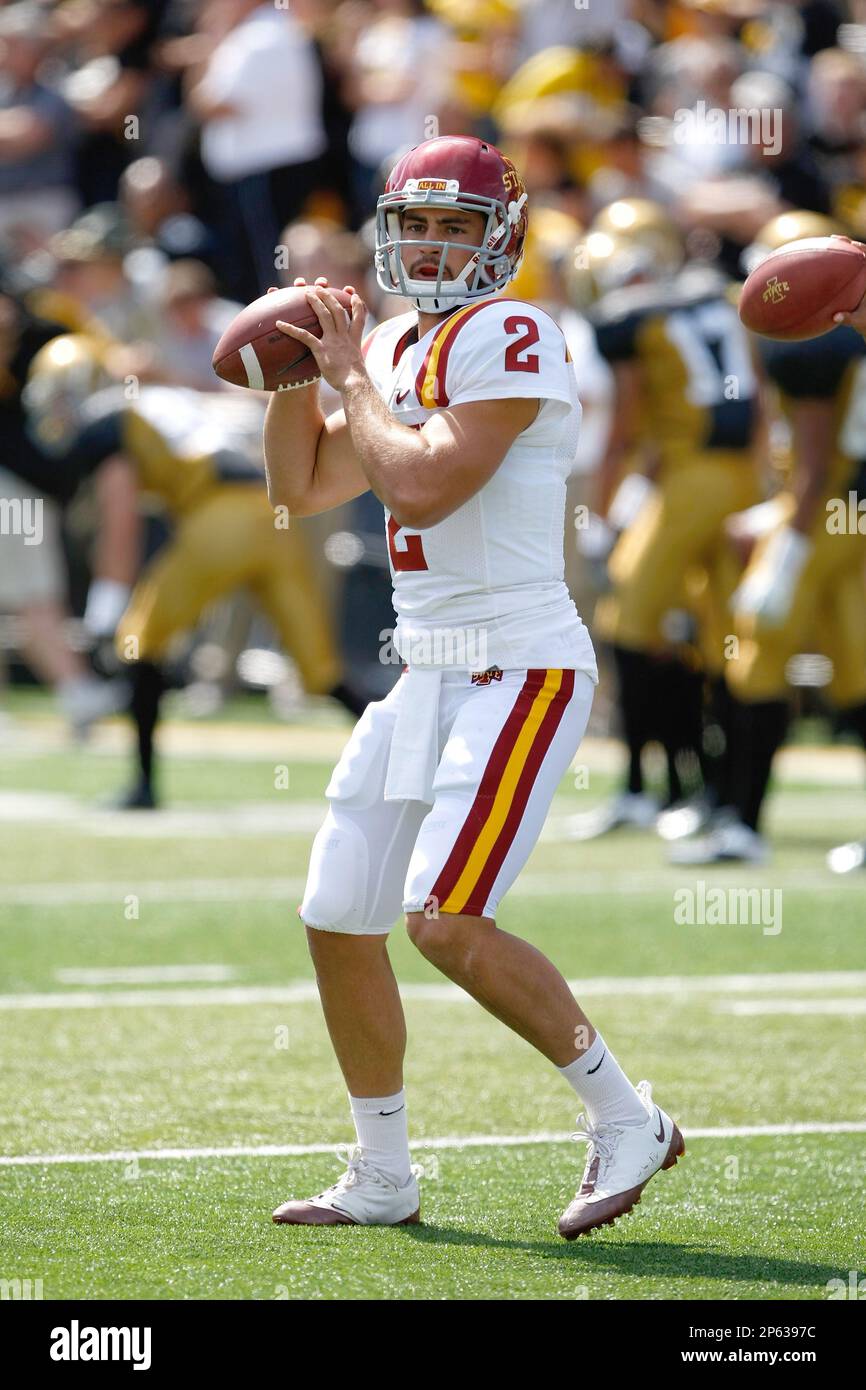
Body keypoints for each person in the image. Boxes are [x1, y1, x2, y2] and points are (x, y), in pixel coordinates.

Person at [264, 136, 684, 1238]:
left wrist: (349, 375)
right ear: (388, 228)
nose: (438, 245)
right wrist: (288, 369)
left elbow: (421, 491)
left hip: (516, 661)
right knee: (337, 915)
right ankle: (383, 1170)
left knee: (443, 918)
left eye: (461, 225)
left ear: (501, 239)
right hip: (426, 670)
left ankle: (624, 1112)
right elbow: (302, 486)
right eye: (424, 223)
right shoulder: (395, 342)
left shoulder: (513, 330)